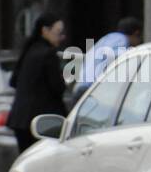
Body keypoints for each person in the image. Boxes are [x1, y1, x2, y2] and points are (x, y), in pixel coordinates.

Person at [7, 13, 68, 154]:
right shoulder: (49, 54)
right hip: (41, 123)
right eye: (58, 32)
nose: (62, 37)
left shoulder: (29, 50)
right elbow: (58, 88)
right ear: (45, 31)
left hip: (19, 119)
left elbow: (14, 81)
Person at [75, 16, 141, 102]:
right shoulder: (122, 41)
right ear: (136, 33)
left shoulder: (108, 38)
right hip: (92, 92)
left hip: (81, 87)